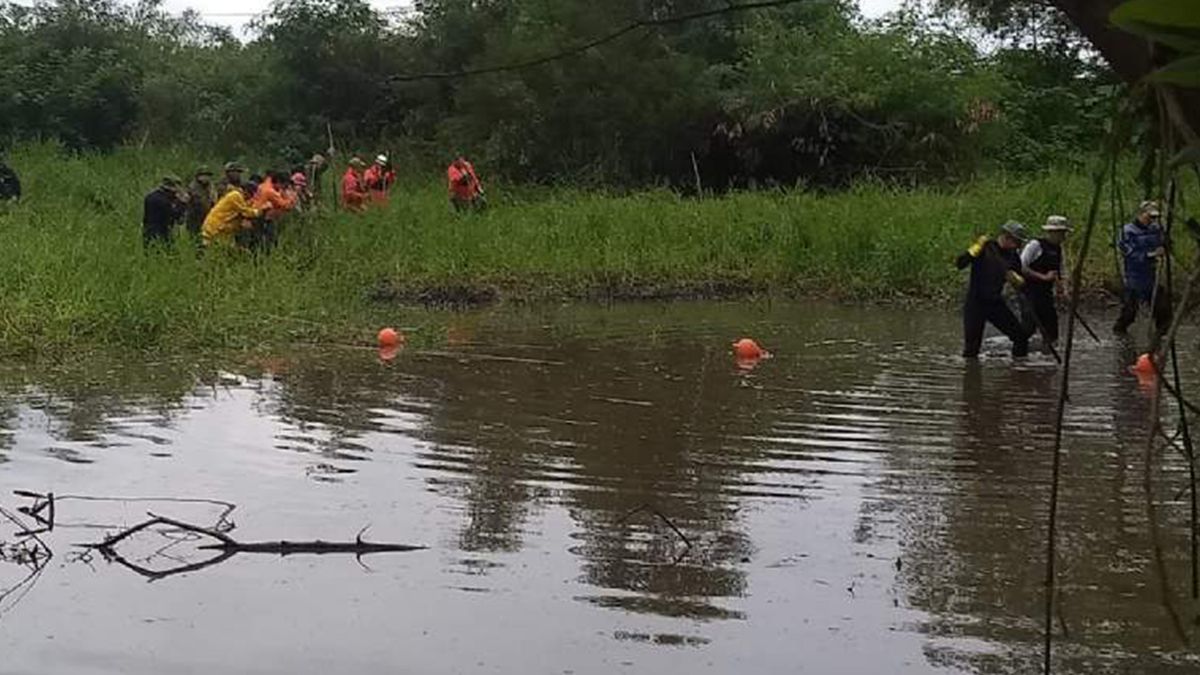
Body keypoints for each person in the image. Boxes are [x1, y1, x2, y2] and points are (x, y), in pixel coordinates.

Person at [955, 220, 1032, 359]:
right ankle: (971, 376)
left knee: (1021, 339)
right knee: (971, 349)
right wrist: (974, 250)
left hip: (995, 303)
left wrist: (1017, 280)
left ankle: (1018, 373)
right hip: (975, 303)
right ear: (1006, 237)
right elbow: (960, 264)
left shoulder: (1013, 256)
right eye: (1017, 242)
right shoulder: (986, 248)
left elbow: (1021, 284)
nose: (1018, 246)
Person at [1114, 200, 1171, 336]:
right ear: (1141, 214)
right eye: (1149, 217)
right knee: (1130, 312)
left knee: (1163, 310)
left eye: (1154, 217)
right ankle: (1120, 334)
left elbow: (1166, 244)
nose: (1152, 220)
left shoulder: (1156, 229)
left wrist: (1166, 246)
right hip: (1133, 277)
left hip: (1151, 276)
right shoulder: (1127, 231)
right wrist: (1150, 255)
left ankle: (1159, 339)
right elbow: (1129, 252)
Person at [1020, 215, 1071, 349]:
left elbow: (1062, 271)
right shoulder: (1035, 245)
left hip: (1045, 293)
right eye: (1061, 233)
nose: (1063, 236)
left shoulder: (1059, 249)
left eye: (1064, 233)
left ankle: (1048, 355)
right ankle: (1019, 353)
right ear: (1051, 232)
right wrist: (1043, 277)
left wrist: (1064, 291)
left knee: (1051, 328)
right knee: (1028, 327)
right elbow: (1020, 266)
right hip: (1029, 292)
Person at [202, 182, 262, 247]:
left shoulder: (239, 196)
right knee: (216, 250)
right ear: (247, 191)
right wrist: (258, 212)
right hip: (215, 228)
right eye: (252, 194)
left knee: (226, 250)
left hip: (223, 229)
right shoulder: (236, 196)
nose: (251, 197)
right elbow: (244, 211)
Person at [142, 174, 189, 248]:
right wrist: (182, 203)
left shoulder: (151, 196)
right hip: (160, 233)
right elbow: (175, 215)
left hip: (149, 231)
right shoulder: (162, 201)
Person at [185, 166, 218, 237]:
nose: (206, 178)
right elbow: (186, 202)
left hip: (208, 217)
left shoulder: (212, 187)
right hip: (195, 218)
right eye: (204, 175)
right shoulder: (192, 188)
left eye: (208, 175)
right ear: (198, 176)